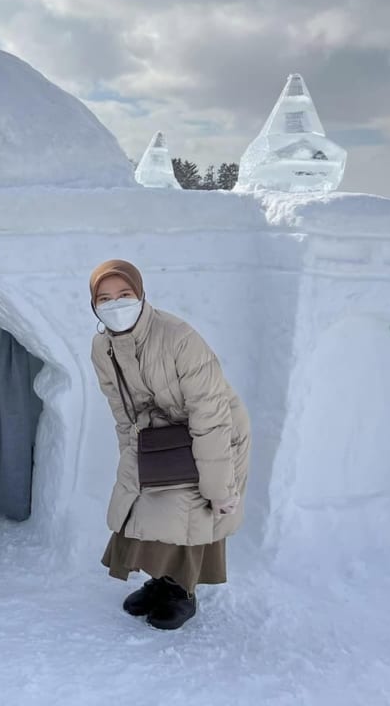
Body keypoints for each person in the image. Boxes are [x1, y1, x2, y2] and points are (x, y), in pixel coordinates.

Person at [88, 259, 250, 630]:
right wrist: (134, 461)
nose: (116, 304)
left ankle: (183, 591)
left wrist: (220, 487)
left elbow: (210, 415)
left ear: (141, 294)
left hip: (213, 430)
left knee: (192, 510)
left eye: (124, 294)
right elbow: (122, 412)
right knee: (147, 504)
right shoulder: (103, 349)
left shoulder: (178, 337)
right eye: (105, 298)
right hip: (156, 436)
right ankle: (160, 580)